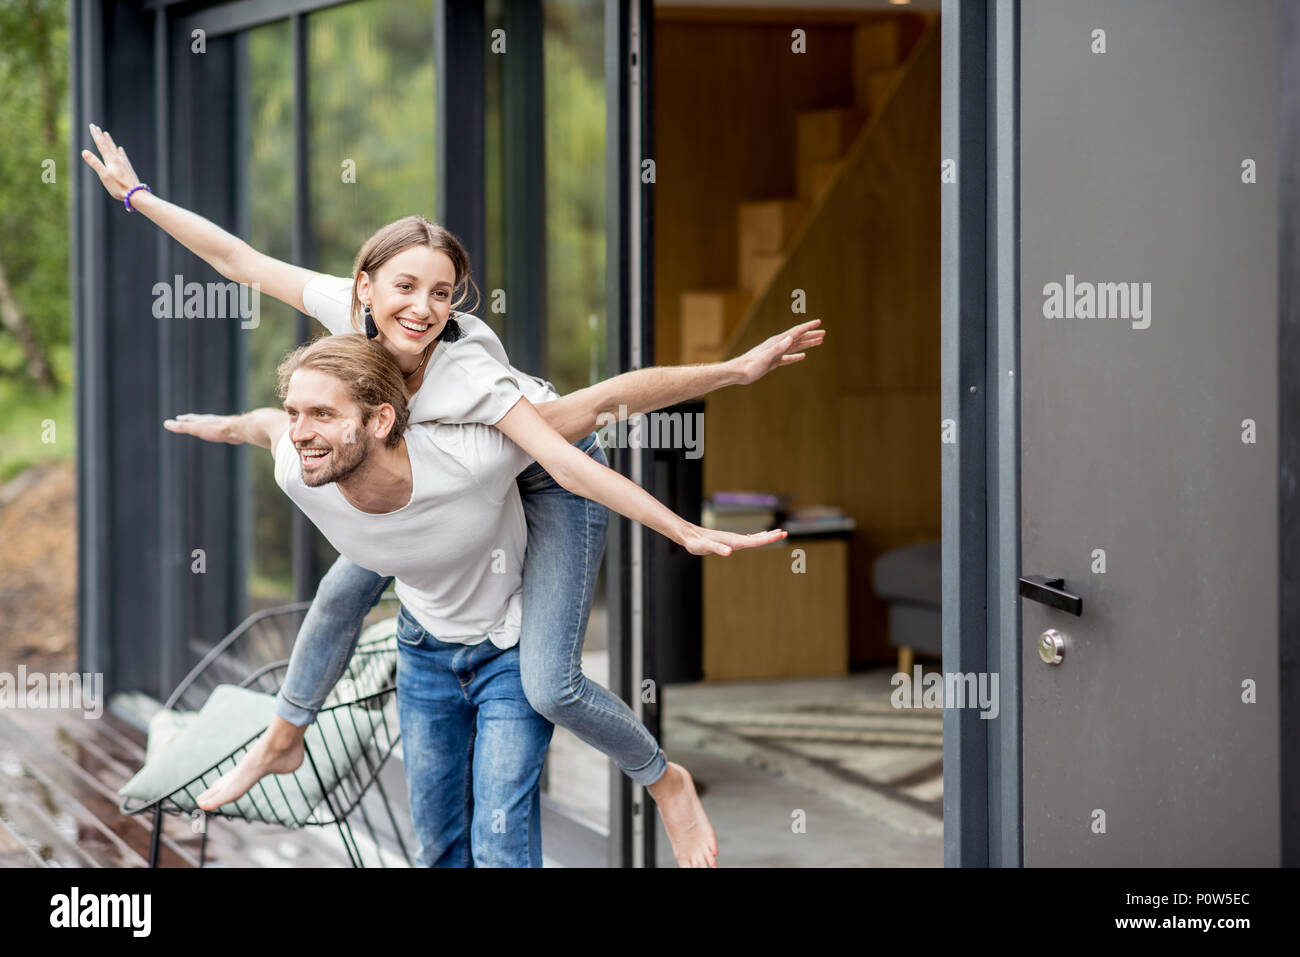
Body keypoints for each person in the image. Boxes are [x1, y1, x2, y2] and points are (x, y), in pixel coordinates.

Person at [83, 124, 825, 867]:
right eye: (405, 287)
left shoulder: (469, 379)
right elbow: (235, 259)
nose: (424, 308)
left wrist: (692, 492)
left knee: (552, 684)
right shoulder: (345, 323)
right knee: (345, 583)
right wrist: (139, 198)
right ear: (364, 288)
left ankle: (664, 781)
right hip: (429, 487)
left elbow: (591, 422)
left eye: (442, 292)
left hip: (544, 464)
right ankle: (284, 735)